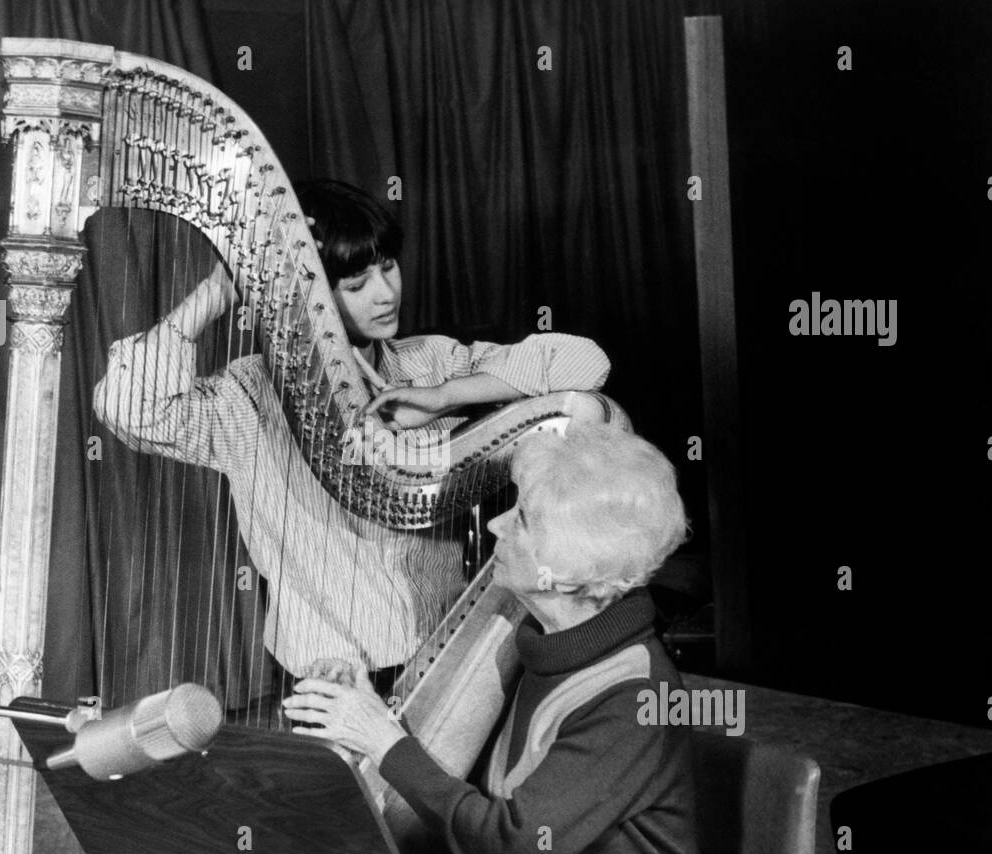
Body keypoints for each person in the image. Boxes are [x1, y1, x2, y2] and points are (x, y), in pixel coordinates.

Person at [93, 179, 610, 685]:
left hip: (448, 653)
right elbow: (129, 408)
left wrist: (443, 399)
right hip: (328, 673)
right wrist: (221, 290)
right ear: (303, 295)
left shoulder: (428, 364)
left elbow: (584, 364)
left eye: (387, 268)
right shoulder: (250, 396)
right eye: (357, 284)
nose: (385, 294)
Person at [284, 424, 703, 854]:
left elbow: (506, 846)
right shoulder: (548, 638)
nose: (494, 525)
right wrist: (369, 712)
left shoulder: (635, 698)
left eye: (521, 518)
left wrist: (383, 738)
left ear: (569, 574)